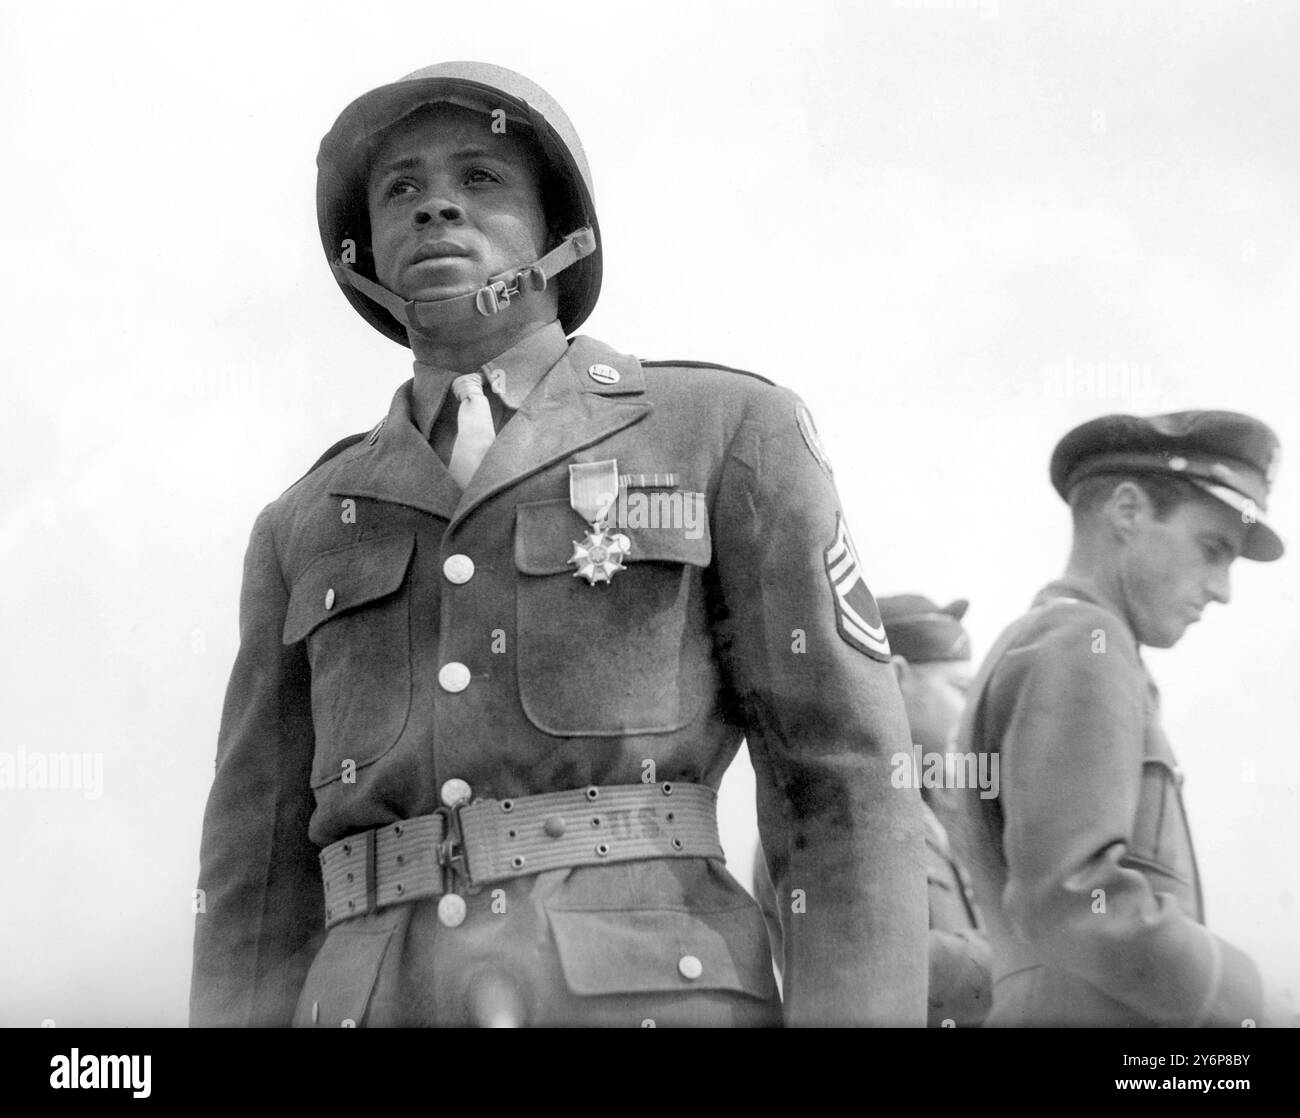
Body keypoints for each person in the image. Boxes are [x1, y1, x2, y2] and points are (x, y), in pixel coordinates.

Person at [190, 61, 928, 1027]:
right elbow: (256, 865)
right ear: (359, 248)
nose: (434, 209)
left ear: (557, 231)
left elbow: (843, 782)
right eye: (400, 189)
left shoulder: (721, 431)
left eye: (480, 180)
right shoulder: (306, 519)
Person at [948, 410, 1286, 1026]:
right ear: (1127, 511)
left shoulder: (1057, 639)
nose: (1223, 589)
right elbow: (1072, 895)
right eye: (1212, 550)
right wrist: (1243, 996)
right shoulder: (1085, 640)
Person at [753, 594, 992, 1027]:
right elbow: (876, 964)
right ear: (898, 679)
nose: (973, 713)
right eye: (960, 690)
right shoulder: (827, 808)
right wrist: (1028, 956)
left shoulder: (942, 808)